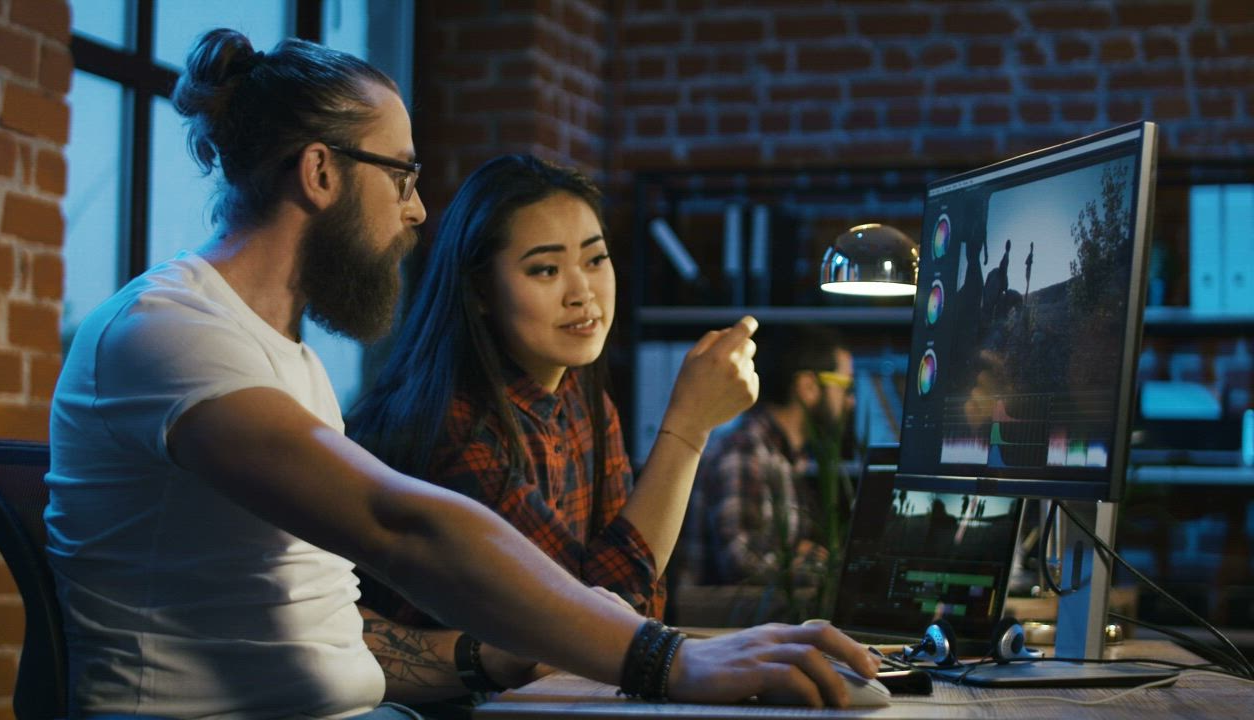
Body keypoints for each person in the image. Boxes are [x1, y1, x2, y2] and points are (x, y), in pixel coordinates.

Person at [45, 29, 876, 719]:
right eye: (402, 174)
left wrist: (491, 655)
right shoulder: (169, 333)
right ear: (321, 172)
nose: (417, 210)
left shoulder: (284, 360)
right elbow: (399, 525)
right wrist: (670, 662)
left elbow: (333, 630)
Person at [347, 154, 768, 703]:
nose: (582, 293)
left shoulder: (579, 400)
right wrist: (687, 429)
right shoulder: (452, 426)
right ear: (478, 291)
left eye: (595, 260)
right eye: (545, 270)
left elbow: (637, 607)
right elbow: (583, 630)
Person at [682, 325, 855, 587]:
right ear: (808, 386)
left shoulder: (784, 456)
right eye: (846, 386)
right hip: (724, 626)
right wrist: (821, 567)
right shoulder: (745, 449)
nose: (850, 401)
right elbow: (739, 562)